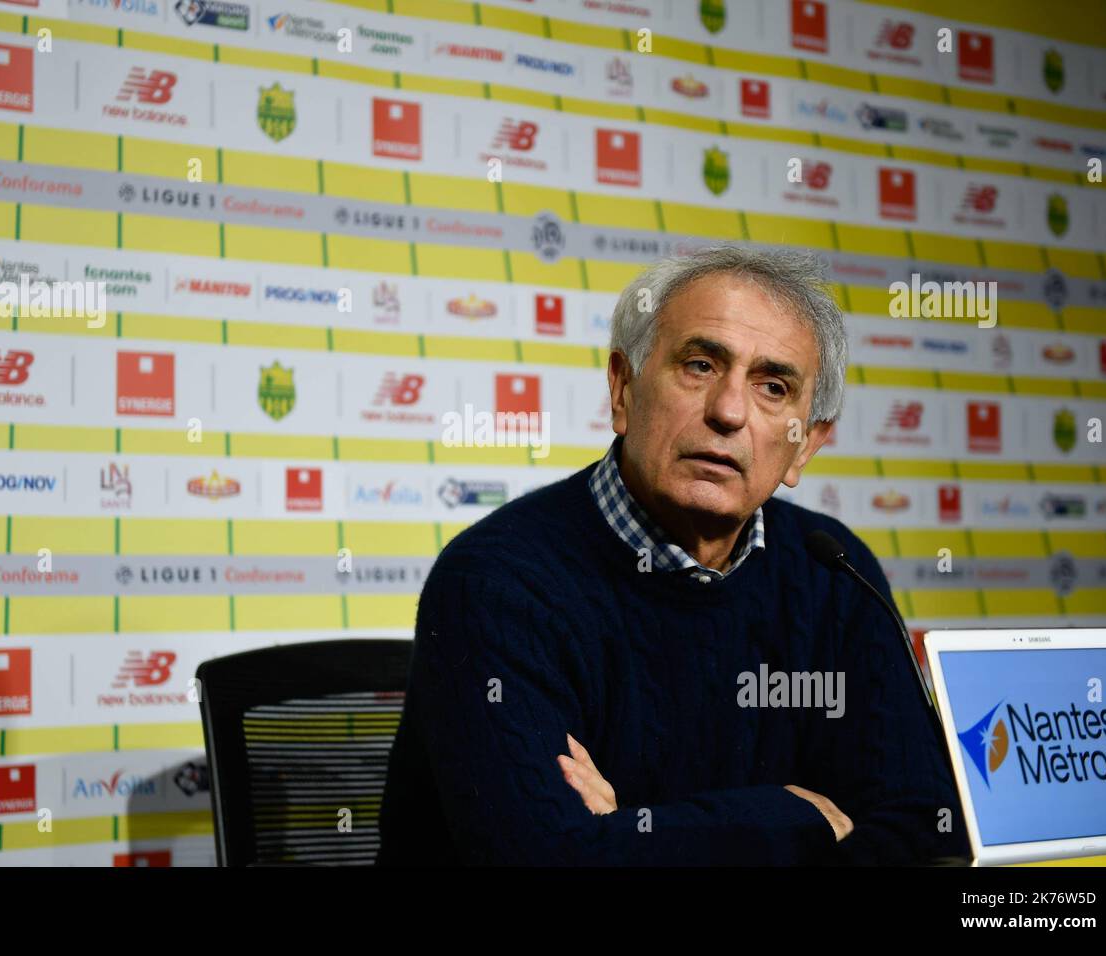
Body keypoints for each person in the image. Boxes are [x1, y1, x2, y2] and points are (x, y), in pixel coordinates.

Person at [377, 244, 968, 865]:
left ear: (806, 445)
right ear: (623, 388)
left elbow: (924, 827)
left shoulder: (836, 572)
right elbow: (545, 861)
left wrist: (634, 831)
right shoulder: (499, 582)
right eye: (700, 365)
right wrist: (794, 817)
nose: (729, 412)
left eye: (773, 386)